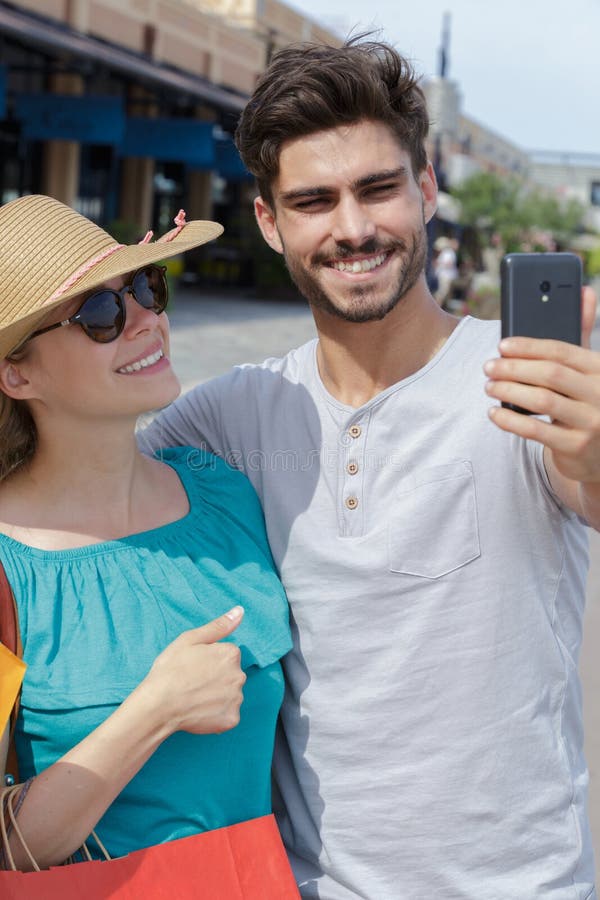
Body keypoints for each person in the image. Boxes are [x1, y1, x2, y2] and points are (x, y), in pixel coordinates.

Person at [140, 38, 600, 899]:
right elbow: (72, 493)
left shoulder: (527, 381)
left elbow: (589, 482)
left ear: (426, 190)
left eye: (378, 189)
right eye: (314, 201)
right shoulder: (230, 412)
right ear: (271, 223)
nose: (353, 228)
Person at [0, 194, 291, 870]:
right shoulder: (8, 570)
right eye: (100, 314)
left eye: (143, 288)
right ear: (17, 372)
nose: (143, 322)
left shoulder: (222, 492)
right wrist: (154, 710)